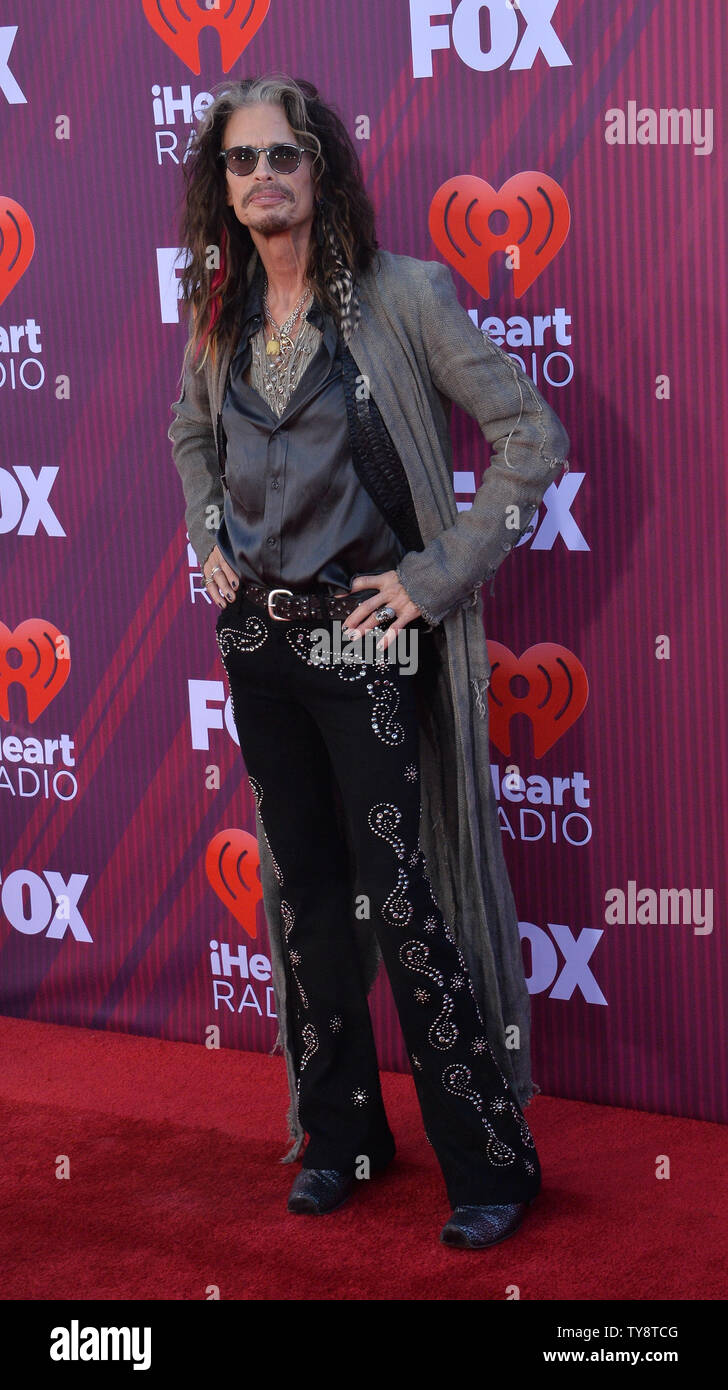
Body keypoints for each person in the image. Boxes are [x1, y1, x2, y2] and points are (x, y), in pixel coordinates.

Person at [168, 74, 570, 1249]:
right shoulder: (223, 314)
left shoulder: (402, 297)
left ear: (321, 169)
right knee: (305, 905)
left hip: (363, 639)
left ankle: (489, 1161)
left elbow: (527, 436)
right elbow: (190, 431)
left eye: (280, 156)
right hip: (259, 646)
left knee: (402, 899)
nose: (261, 178)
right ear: (222, 185)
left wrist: (436, 576)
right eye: (240, 162)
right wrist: (208, 537)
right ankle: (342, 1132)